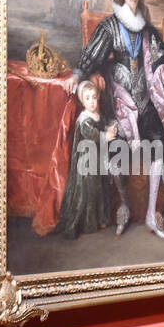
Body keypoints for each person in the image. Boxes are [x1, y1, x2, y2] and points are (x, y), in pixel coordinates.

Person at [66, 0, 164, 238]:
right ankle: (125, 208)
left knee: (158, 142)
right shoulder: (109, 26)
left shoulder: (146, 30)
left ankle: (152, 215)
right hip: (120, 102)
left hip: (145, 102)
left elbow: (163, 58)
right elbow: (91, 55)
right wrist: (76, 75)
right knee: (116, 150)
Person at [54, 81, 115, 239]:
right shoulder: (84, 119)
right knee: (88, 191)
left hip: (97, 159)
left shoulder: (98, 114)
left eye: (94, 97)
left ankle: (101, 219)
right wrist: (105, 136)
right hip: (86, 162)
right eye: (87, 98)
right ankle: (88, 223)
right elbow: (93, 135)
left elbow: (103, 126)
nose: (92, 101)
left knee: (99, 188)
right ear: (82, 101)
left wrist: (110, 128)